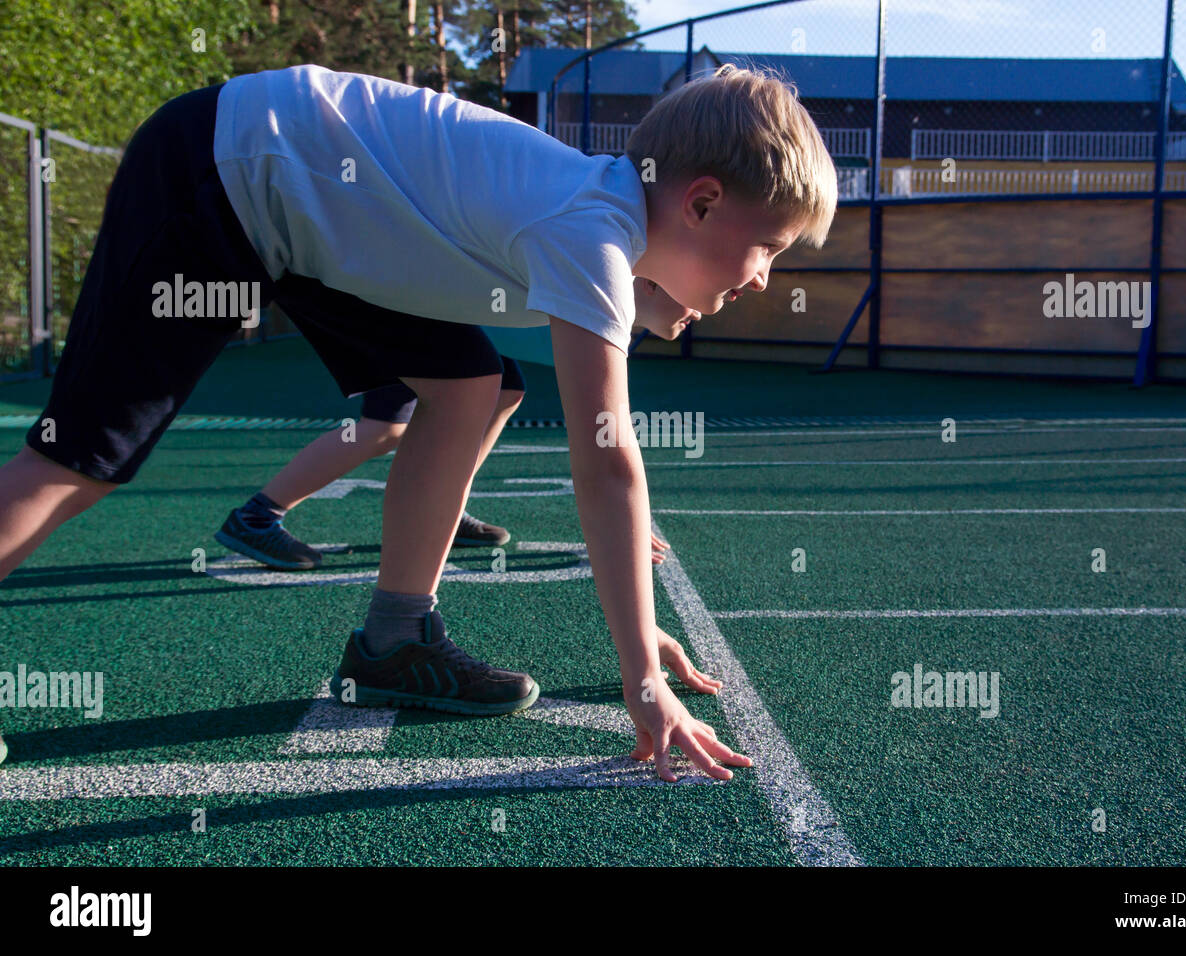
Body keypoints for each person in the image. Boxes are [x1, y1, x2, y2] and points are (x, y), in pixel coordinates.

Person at [0, 62, 837, 781]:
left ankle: (393, 643)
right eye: (771, 246)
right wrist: (643, 676)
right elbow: (609, 460)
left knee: (472, 385)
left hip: (298, 207)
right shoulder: (591, 233)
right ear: (700, 203)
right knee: (78, 461)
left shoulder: (592, 212)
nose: (765, 278)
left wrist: (640, 622)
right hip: (221, 166)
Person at [215, 284, 678, 571]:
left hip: (454, 304)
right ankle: (256, 515)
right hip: (406, 286)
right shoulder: (599, 294)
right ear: (652, 284)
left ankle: (447, 509)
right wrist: (619, 528)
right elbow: (599, 440)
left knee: (504, 390)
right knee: (383, 427)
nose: (753, 281)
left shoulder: (612, 298)